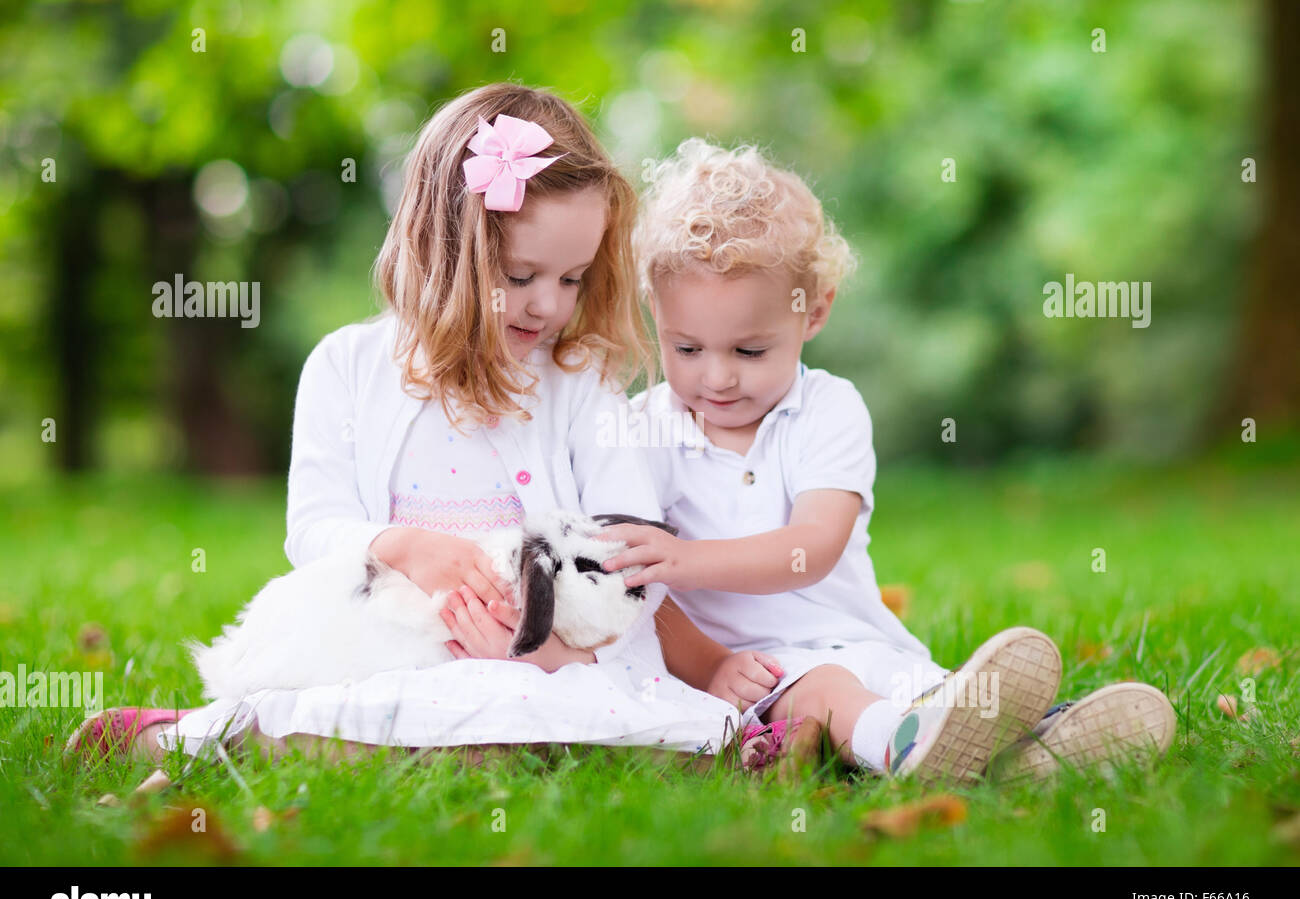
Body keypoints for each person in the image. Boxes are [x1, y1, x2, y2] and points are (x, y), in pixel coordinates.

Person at [65, 85, 738, 767]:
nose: (548, 304)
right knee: (386, 725)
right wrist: (403, 547)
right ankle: (210, 736)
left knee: (631, 743)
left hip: (554, 666)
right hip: (393, 658)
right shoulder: (348, 369)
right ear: (444, 248)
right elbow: (315, 530)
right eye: (522, 274)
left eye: (572, 278)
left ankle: (297, 741)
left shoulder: (580, 384)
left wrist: (546, 651)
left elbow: (634, 558)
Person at [598, 139, 1176, 784]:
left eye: (750, 351)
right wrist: (708, 666)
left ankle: (1032, 750)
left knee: (933, 691)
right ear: (655, 309)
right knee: (831, 694)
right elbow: (633, 587)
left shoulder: (828, 408)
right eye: (687, 348)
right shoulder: (636, 432)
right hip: (748, 671)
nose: (719, 376)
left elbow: (812, 547)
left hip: (862, 641)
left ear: (813, 311)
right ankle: (908, 749)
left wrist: (686, 559)